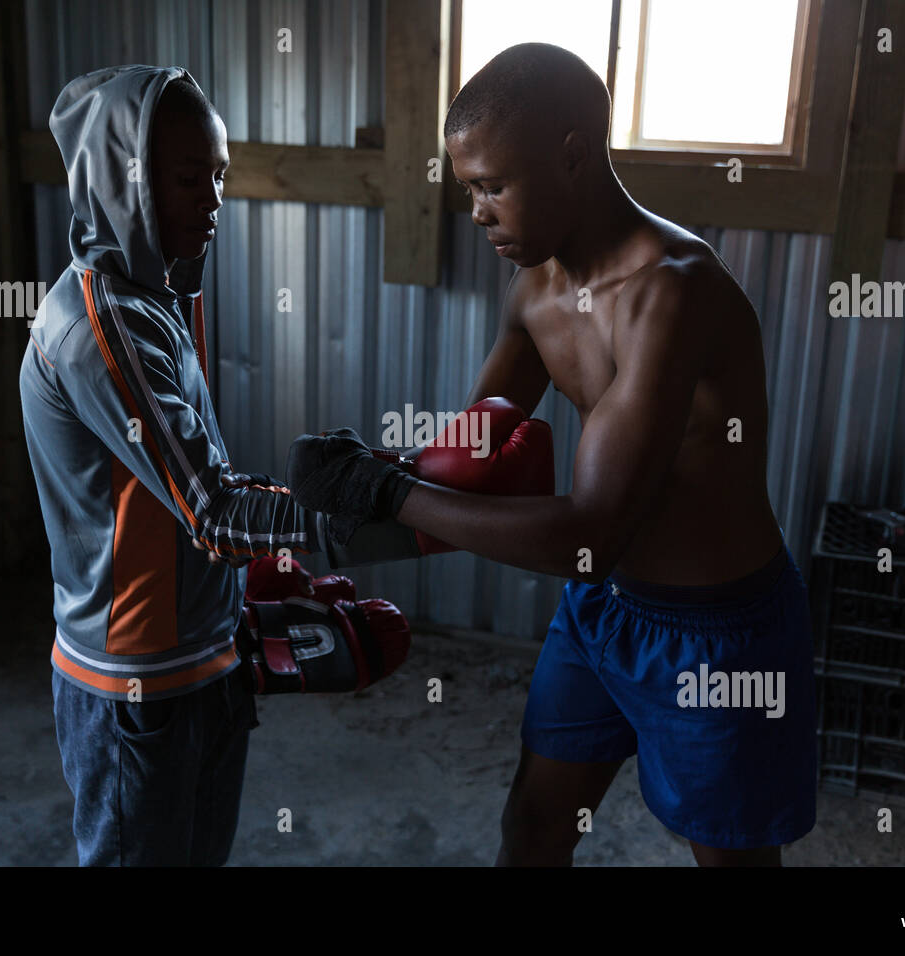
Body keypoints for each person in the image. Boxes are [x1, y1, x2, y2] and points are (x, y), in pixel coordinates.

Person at [286, 43, 818, 867]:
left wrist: (389, 498)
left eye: (493, 187)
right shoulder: (536, 290)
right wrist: (381, 467)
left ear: (572, 155)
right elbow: (477, 446)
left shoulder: (673, 292)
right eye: (469, 191)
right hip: (601, 612)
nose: (479, 213)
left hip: (716, 636)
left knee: (733, 861)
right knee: (534, 827)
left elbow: (591, 531)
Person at [19, 67, 400, 865]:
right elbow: (214, 512)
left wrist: (240, 591)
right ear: (119, 178)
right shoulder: (101, 325)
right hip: (138, 687)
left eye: (220, 176)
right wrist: (381, 509)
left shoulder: (155, 297)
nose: (214, 197)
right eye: (191, 177)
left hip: (202, 662)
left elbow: (182, 491)